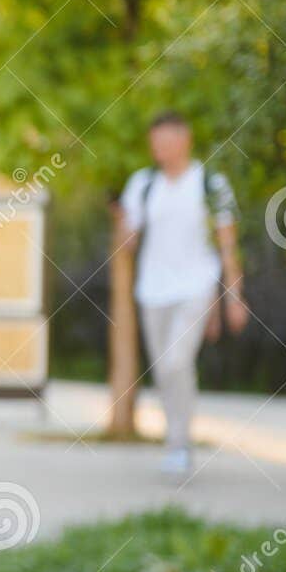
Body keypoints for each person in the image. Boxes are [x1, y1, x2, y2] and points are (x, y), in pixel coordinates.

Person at [117, 111, 248, 476]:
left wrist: (233, 297)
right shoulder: (142, 184)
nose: (159, 148)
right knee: (163, 369)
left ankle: (179, 443)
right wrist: (123, 227)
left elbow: (227, 246)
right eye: (154, 141)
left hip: (196, 287)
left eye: (166, 140)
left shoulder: (210, 183)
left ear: (185, 139)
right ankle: (175, 437)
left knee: (177, 362)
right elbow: (129, 239)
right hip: (152, 290)